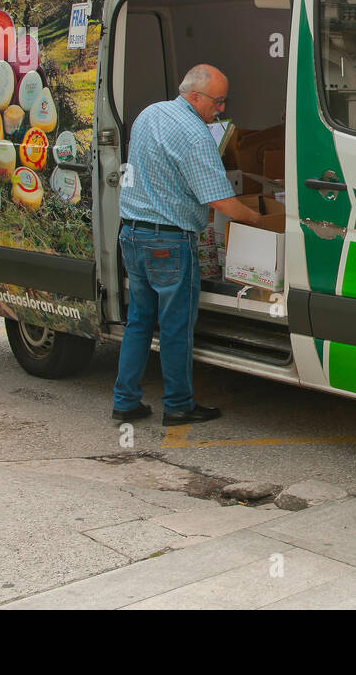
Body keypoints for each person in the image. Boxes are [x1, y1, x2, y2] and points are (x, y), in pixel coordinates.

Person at [111, 64, 261, 426]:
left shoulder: (150, 113)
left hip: (132, 233)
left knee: (139, 321)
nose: (222, 109)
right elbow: (220, 201)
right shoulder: (195, 134)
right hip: (168, 241)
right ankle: (178, 404)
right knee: (176, 325)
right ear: (195, 96)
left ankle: (125, 400)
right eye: (219, 101)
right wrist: (267, 221)